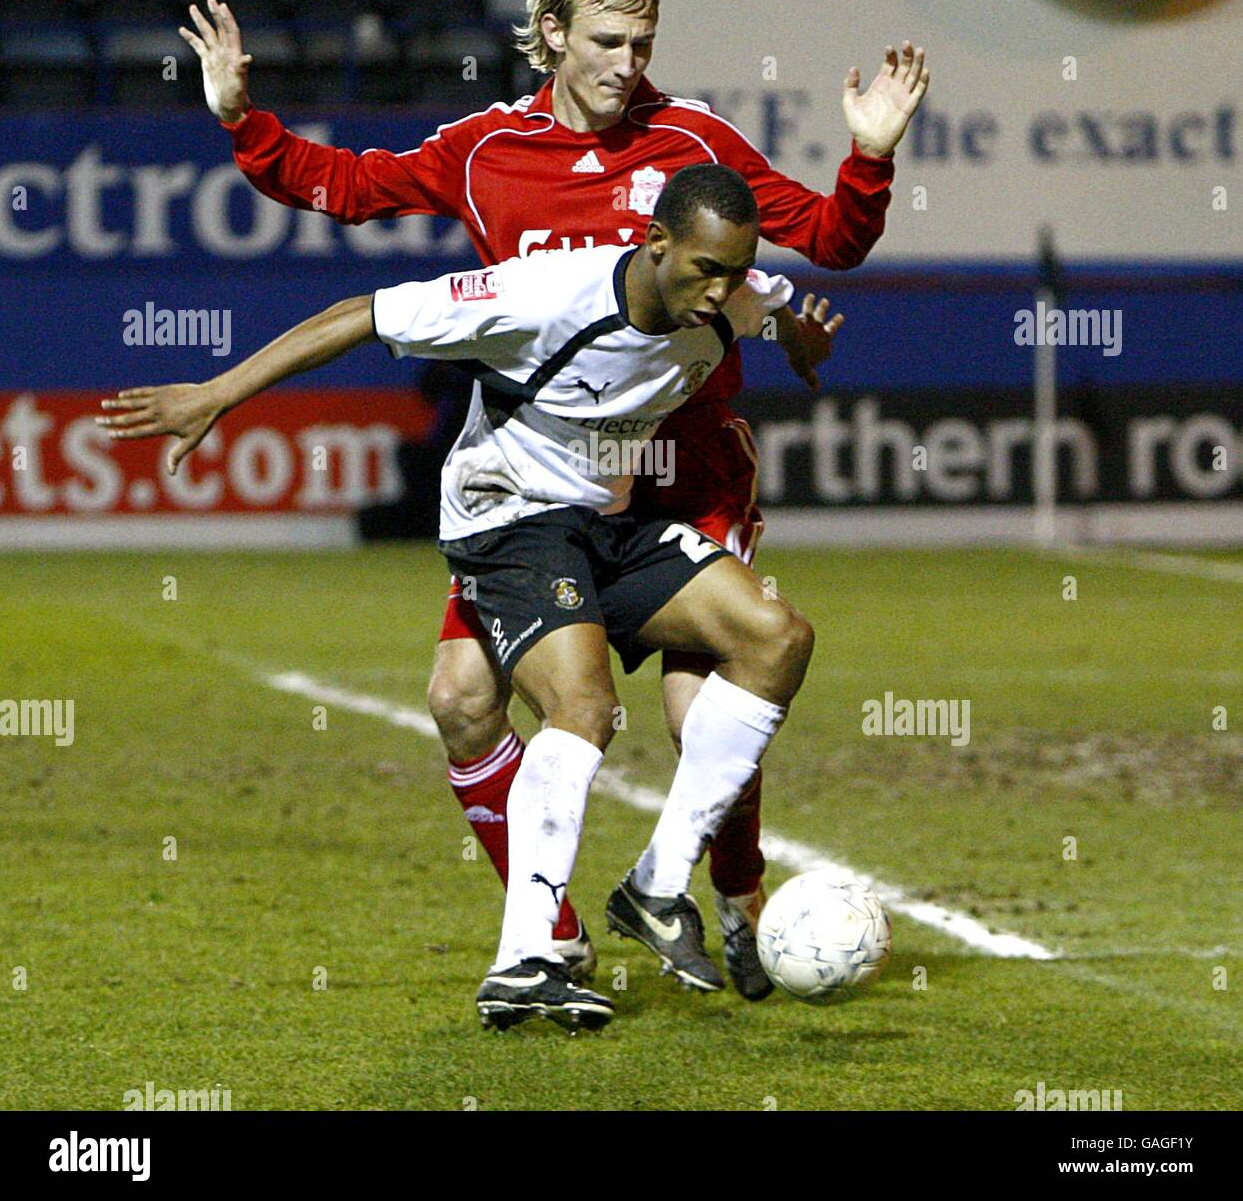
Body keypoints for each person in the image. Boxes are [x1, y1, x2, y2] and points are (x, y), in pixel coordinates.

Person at [177, 0, 929, 998]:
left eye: (643, 42)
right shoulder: (485, 152)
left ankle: (730, 890)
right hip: (537, 472)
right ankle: (552, 931)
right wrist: (243, 123)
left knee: (702, 701)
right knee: (458, 700)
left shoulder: (694, 144)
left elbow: (821, 241)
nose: (629, 65)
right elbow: (345, 185)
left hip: (686, 456)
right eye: (608, 42)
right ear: (550, 37)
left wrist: (868, 157)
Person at [98, 165, 835, 1031]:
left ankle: (658, 883)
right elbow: (361, 316)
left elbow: (784, 312)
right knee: (583, 708)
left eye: (734, 271)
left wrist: (801, 343)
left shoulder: (735, 292)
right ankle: (526, 957)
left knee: (776, 638)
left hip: (606, 523)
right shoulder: (541, 294)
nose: (718, 291)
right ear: (655, 243)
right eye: (703, 269)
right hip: (508, 517)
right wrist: (217, 394)